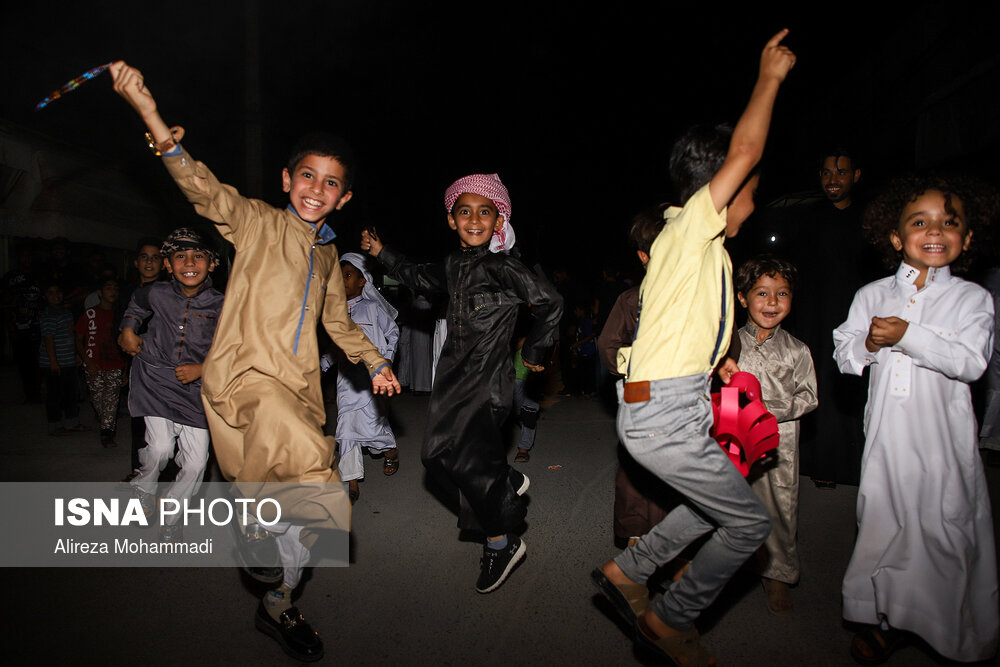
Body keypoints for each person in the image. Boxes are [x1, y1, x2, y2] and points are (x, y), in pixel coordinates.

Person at [110, 61, 400, 662]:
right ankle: (259, 542)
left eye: (330, 183)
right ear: (287, 178)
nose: (315, 189)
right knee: (313, 476)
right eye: (307, 176)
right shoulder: (258, 223)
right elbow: (203, 188)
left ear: (343, 197)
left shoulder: (327, 259)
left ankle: (277, 599)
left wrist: (374, 364)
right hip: (244, 387)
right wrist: (149, 113)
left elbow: (338, 324)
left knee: (302, 524)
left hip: (296, 397)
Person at [591, 30, 796, 666]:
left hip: (673, 402)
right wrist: (769, 77)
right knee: (750, 524)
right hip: (664, 412)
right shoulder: (691, 230)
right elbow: (747, 146)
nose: (752, 200)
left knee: (715, 506)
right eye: (749, 188)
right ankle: (671, 620)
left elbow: (677, 331)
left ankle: (631, 572)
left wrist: (718, 362)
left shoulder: (704, 255)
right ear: (725, 189)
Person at [361, 172, 562, 594]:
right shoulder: (453, 265)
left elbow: (551, 303)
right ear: (451, 220)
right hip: (451, 375)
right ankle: (503, 485)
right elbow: (420, 275)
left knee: (471, 464)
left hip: (488, 381)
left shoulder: (506, 267)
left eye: (484, 212)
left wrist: (533, 352)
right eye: (464, 212)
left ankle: (500, 542)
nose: (474, 219)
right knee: (435, 458)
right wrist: (383, 252)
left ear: (498, 220)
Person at [833, 174, 998, 664]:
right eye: (919, 221)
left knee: (943, 529)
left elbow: (970, 362)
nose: (935, 231)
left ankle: (950, 629)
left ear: (967, 238)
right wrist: (868, 342)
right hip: (887, 439)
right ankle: (887, 619)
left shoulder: (972, 299)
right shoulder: (872, 294)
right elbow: (845, 354)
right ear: (896, 236)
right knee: (885, 523)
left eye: (949, 223)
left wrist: (909, 335)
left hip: (943, 443)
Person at [119, 229, 223, 541]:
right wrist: (127, 328)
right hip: (156, 380)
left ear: (212, 263)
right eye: (180, 256)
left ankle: (172, 512)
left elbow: (234, 347)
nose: (189, 262)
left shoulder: (223, 304)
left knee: (195, 463)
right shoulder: (156, 293)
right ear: (168, 264)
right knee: (161, 448)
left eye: (198, 256)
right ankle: (142, 487)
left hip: (197, 391)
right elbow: (136, 306)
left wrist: (204, 368)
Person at [734, 255, 817, 615]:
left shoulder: (797, 350)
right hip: (732, 438)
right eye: (762, 293)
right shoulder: (727, 344)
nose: (772, 302)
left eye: (782, 294)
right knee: (729, 502)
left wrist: (774, 410)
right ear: (742, 298)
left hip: (779, 443)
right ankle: (728, 565)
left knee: (779, 506)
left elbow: (809, 396)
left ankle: (779, 573)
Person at [795, 147, 878, 488]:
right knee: (817, 386)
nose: (833, 179)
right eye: (827, 172)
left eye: (841, 172)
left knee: (854, 387)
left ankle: (858, 465)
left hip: (856, 315)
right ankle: (819, 465)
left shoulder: (869, 217)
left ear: (856, 176)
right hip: (813, 315)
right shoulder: (808, 217)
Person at [597, 204, 677, 550]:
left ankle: (679, 546)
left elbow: (726, 342)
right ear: (644, 257)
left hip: (688, 398)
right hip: (643, 394)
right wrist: (640, 363)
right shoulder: (632, 300)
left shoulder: (700, 300)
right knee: (636, 468)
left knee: (681, 470)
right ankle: (635, 541)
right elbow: (608, 345)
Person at [329, 253, 400, 503]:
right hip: (346, 381)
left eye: (348, 275)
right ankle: (351, 482)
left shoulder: (372, 309)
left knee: (373, 428)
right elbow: (333, 348)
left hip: (373, 379)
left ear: (362, 281)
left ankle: (390, 449)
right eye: (340, 276)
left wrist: (388, 358)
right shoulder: (334, 314)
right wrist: (320, 365)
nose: (343, 280)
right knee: (346, 428)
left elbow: (393, 332)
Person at [120, 238, 165, 484]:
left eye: (155, 257)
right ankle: (139, 470)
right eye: (145, 257)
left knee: (164, 423)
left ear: (164, 263)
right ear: (136, 263)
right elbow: (120, 328)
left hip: (163, 366)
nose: (149, 262)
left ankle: (162, 474)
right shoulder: (127, 292)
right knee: (139, 419)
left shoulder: (171, 291)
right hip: (136, 364)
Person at [76, 277, 127, 448]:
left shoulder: (121, 315)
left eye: (115, 288)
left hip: (115, 364)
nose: (112, 291)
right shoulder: (90, 314)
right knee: (98, 400)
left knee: (111, 401)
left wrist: (125, 370)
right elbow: (78, 338)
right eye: (108, 288)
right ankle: (106, 424)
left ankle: (107, 434)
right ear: (100, 292)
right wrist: (86, 360)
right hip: (94, 364)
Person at [39, 282, 85, 435]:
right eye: (51, 293)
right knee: (54, 395)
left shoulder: (66, 312)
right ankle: (55, 425)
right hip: (55, 363)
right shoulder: (48, 315)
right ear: (45, 297)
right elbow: (48, 339)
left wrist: (77, 354)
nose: (56, 295)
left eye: (58, 291)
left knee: (71, 393)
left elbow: (71, 336)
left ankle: (72, 422)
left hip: (68, 361)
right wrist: (53, 361)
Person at [512, 336, 541, 463]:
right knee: (516, 412)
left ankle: (523, 448)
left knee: (529, 410)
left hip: (528, 378)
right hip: (508, 377)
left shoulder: (538, 328)